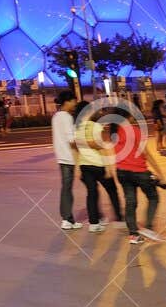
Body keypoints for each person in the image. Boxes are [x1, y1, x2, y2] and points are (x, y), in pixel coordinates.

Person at [109, 106, 166, 244]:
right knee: (153, 197)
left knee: (131, 202)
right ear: (128, 117)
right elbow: (146, 154)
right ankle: (148, 227)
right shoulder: (134, 131)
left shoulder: (115, 132)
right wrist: (160, 174)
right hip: (139, 171)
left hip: (122, 172)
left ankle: (133, 235)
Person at [74, 104, 122, 231]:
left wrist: (78, 167)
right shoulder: (96, 127)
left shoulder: (77, 129)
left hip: (85, 165)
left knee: (92, 193)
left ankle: (93, 224)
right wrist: (107, 167)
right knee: (112, 190)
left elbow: (77, 149)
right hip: (98, 164)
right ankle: (119, 218)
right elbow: (101, 148)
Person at [51, 93, 81, 229]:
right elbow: (71, 140)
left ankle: (69, 219)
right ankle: (67, 219)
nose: (75, 104)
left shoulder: (56, 116)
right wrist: (80, 154)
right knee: (67, 188)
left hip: (61, 156)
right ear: (67, 102)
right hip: (69, 157)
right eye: (74, 101)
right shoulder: (67, 117)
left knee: (66, 187)